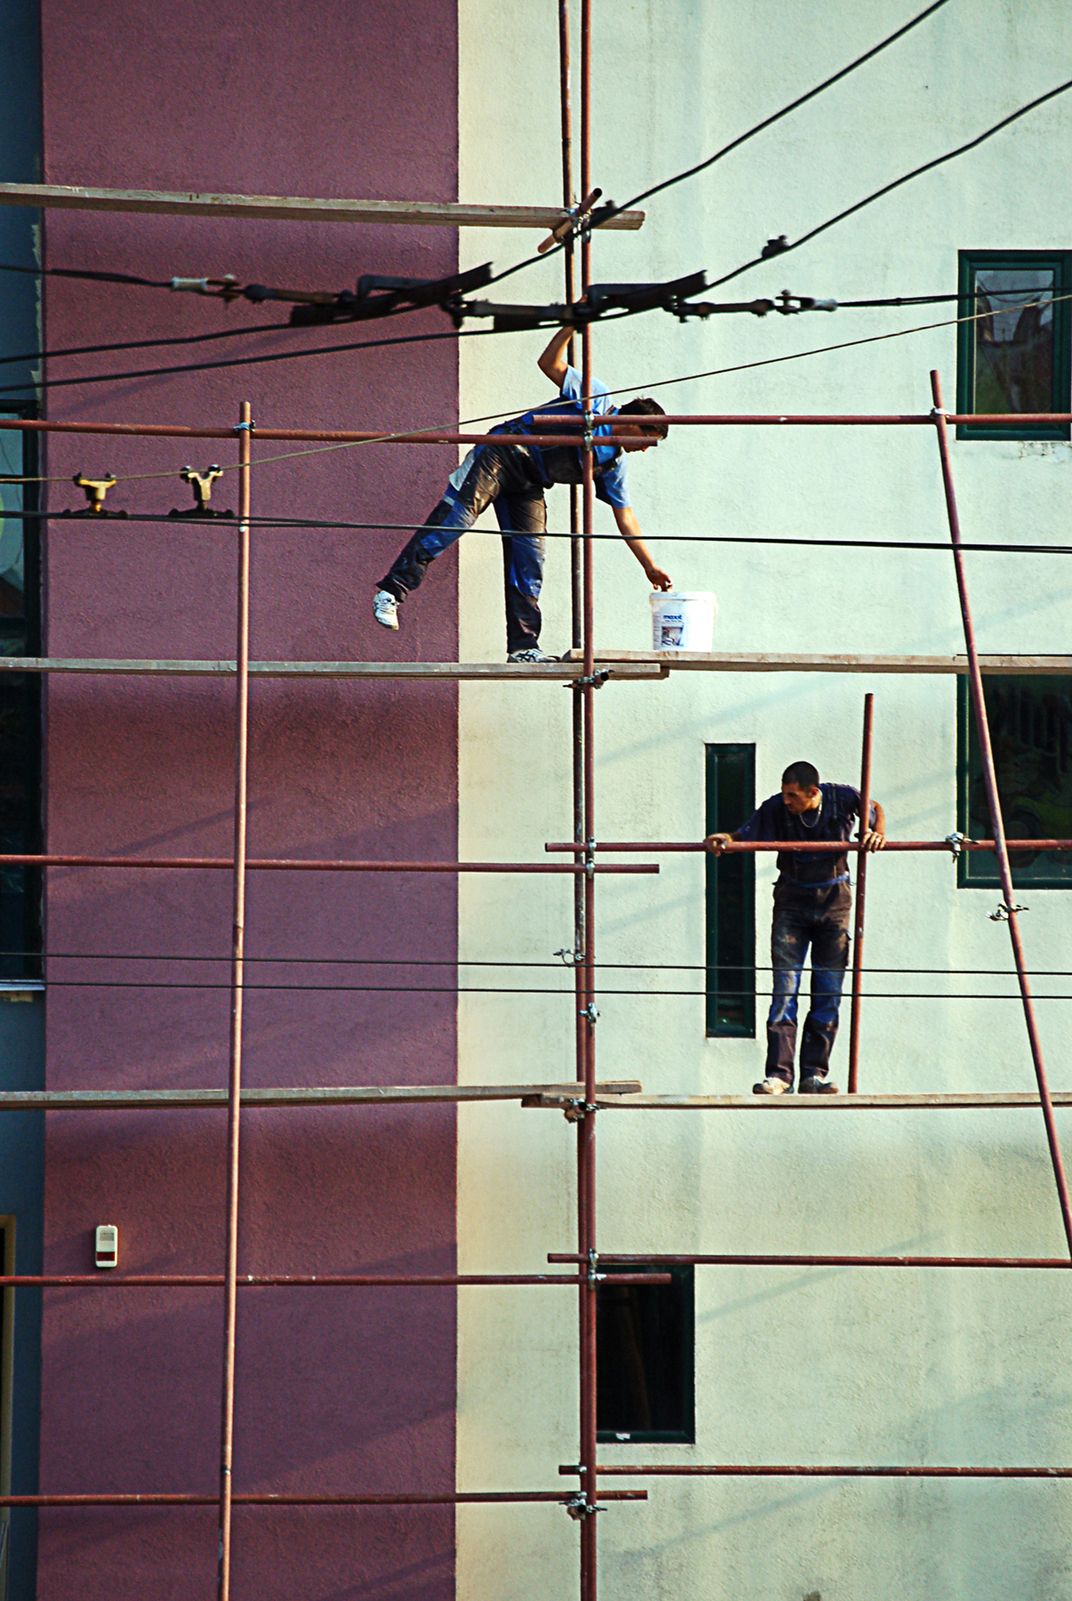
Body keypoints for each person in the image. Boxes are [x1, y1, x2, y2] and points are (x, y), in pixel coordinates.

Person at [372, 324, 673, 661]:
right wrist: (570, 325)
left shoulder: (613, 464)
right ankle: (391, 591)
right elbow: (549, 363)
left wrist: (649, 566)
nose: (645, 451)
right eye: (647, 442)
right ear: (635, 425)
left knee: (530, 558)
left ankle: (524, 647)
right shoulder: (597, 399)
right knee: (454, 521)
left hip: (529, 483)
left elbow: (626, 516)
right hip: (503, 453)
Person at [705, 760, 887, 1095]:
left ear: (813, 793)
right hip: (792, 903)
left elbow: (873, 808)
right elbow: (748, 831)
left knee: (828, 992)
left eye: (793, 795)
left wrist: (877, 832)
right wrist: (727, 838)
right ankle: (779, 1076)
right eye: (785, 794)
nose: (786, 801)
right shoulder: (777, 806)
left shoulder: (841, 798)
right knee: (785, 990)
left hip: (834, 904)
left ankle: (813, 1075)